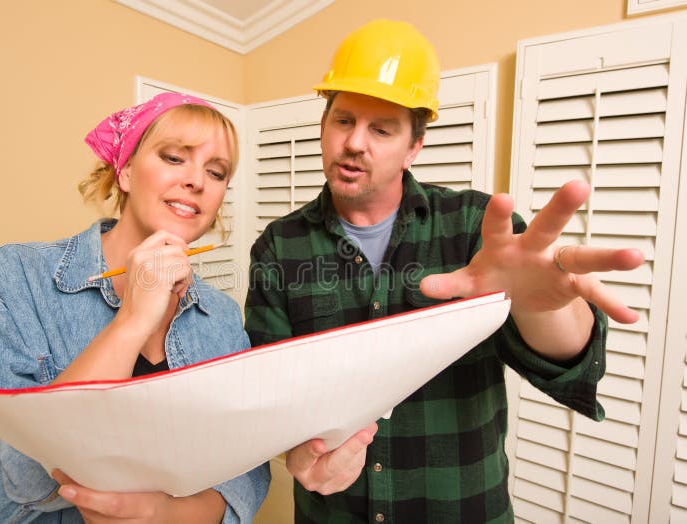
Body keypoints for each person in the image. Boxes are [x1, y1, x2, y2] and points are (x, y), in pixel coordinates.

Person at [244, 19, 644, 523]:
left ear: (415, 146)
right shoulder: (280, 246)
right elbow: (264, 391)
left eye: (382, 129)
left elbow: (568, 361)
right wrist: (296, 455)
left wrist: (545, 308)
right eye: (343, 121)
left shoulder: (478, 228)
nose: (354, 143)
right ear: (324, 125)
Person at [0, 92, 270, 523]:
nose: (197, 180)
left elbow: (248, 468)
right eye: (174, 158)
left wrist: (169, 514)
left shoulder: (222, 316)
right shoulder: (7, 281)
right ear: (126, 171)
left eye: (216, 172)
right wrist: (130, 323)